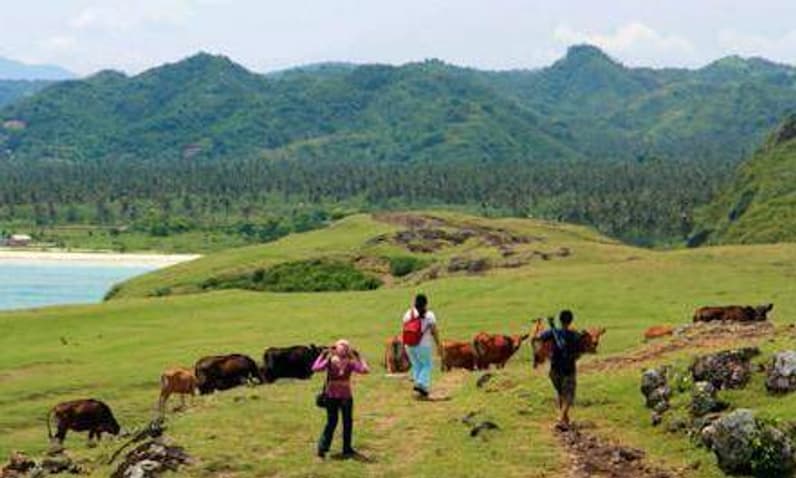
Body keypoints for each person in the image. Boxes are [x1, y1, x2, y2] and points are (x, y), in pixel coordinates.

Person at [312, 339, 369, 459]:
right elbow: (365, 370)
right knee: (347, 422)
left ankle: (322, 448)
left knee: (332, 422)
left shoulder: (330, 361)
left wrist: (322, 356)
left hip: (332, 395)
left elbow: (315, 368)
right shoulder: (350, 362)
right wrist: (360, 357)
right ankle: (346, 449)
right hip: (345, 396)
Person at [539, 310, 581, 430]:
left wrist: (552, 329)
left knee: (561, 393)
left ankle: (565, 418)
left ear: (560, 320)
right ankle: (561, 418)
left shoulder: (553, 332)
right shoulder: (575, 335)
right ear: (571, 321)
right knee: (568, 395)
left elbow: (541, 337)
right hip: (568, 369)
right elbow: (579, 350)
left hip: (554, 369)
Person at [402, 294, 442, 399]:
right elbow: (434, 331)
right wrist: (438, 344)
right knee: (427, 365)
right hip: (423, 345)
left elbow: (405, 329)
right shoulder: (430, 315)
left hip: (409, 345)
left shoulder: (408, 314)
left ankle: (419, 389)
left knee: (416, 365)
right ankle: (420, 384)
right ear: (426, 303)